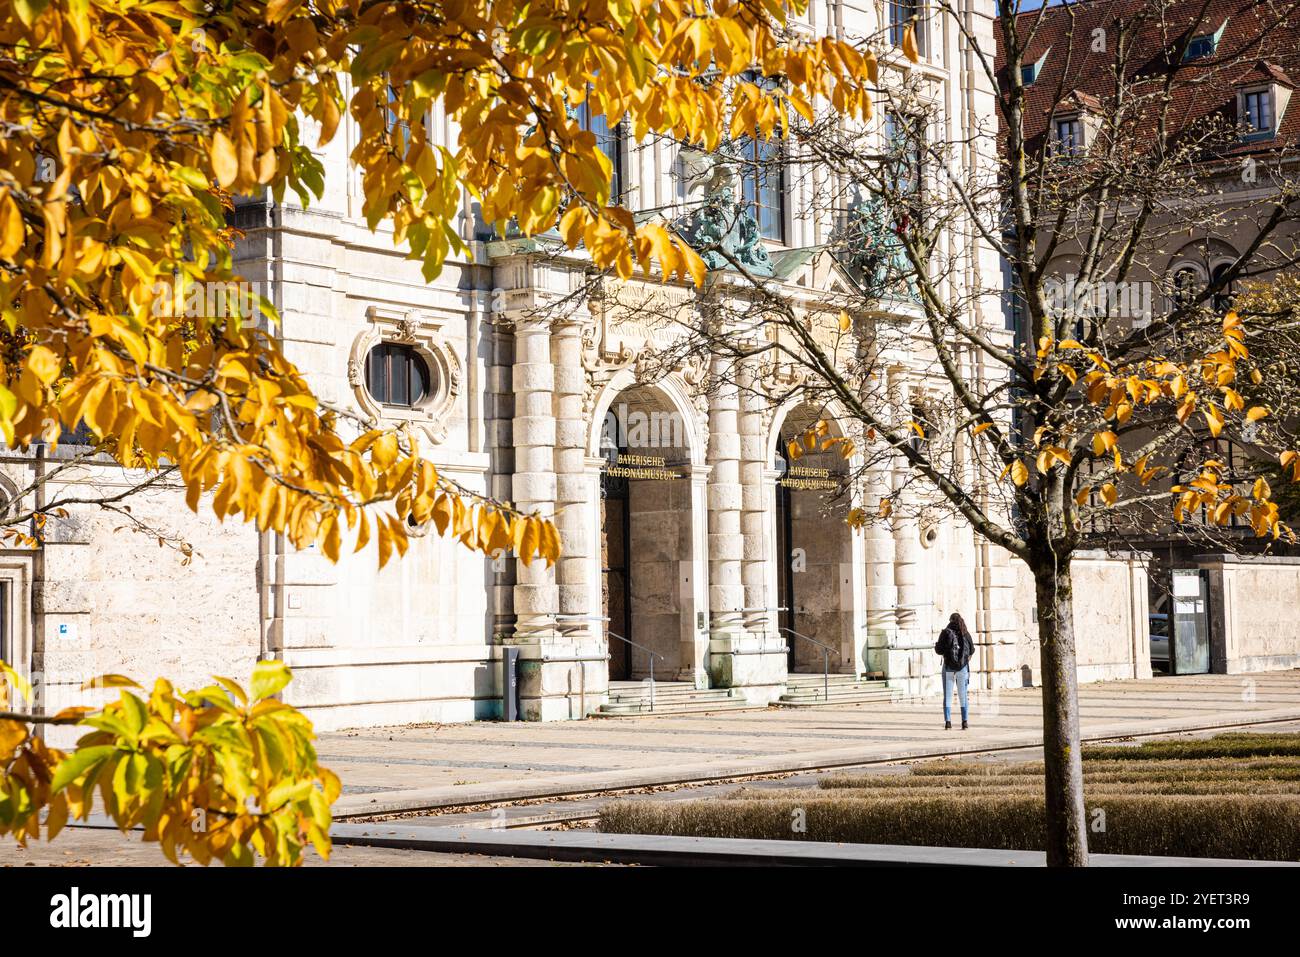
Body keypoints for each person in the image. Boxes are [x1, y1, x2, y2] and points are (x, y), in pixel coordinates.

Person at [934, 613, 974, 730]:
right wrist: (965, 660)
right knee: (963, 695)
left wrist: (938, 646)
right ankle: (964, 722)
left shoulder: (946, 632)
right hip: (962, 668)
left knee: (948, 696)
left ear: (950, 620)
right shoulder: (965, 633)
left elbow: (939, 650)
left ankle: (948, 722)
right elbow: (972, 649)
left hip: (948, 667)